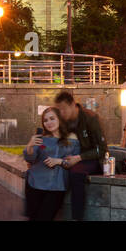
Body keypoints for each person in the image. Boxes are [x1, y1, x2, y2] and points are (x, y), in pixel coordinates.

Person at [53, 90, 107, 220]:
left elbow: (102, 149)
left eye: (63, 109)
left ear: (73, 105)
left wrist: (79, 158)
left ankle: (76, 217)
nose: (61, 113)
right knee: (54, 170)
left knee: (76, 173)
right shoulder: (63, 121)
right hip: (70, 156)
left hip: (91, 159)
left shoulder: (91, 118)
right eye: (58, 110)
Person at [23, 106, 80, 221]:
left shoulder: (73, 140)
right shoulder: (41, 139)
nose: (48, 123)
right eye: (45, 120)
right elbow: (30, 158)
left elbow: (73, 162)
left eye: (52, 118)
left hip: (57, 186)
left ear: (60, 119)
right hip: (35, 183)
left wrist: (58, 161)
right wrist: (29, 145)